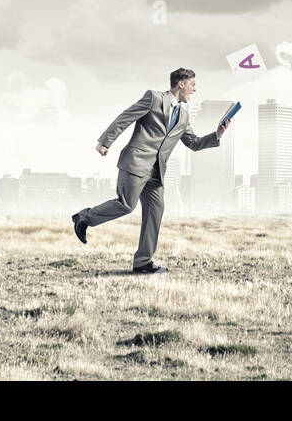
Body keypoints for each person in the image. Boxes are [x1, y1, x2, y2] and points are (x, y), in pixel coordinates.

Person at [71, 68, 230, 273]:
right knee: (126, 205)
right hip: (136, 162)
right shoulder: (154, 98)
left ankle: (143, 262)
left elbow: (194, 143)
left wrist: (217, 134)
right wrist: (105, 141)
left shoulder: (183, 115)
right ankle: (84, 218)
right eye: (192, 84)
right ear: (181, 83)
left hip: (156, 173)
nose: (194, 89)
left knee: (156, 210)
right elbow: (125, 117)